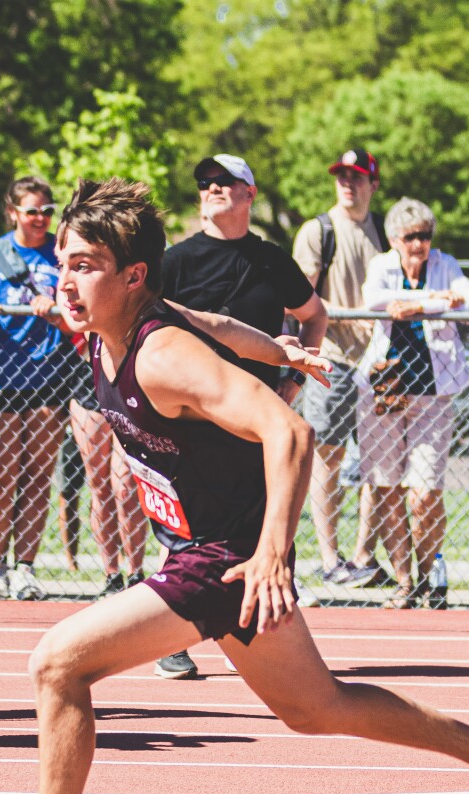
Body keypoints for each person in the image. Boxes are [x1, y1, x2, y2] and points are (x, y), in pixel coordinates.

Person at [0, 178, 469, 794]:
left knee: (58, 663)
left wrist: (273, 553)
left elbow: (290, 432)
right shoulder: (129, 323)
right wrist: (279, 349)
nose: (66, 281)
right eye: (63, 262)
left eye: (86, 264)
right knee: (316, 707)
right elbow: (219, 322)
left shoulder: (162, 357)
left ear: (132, 275)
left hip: (223, 559)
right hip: (206, 552)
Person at [153, 152, 328, 678]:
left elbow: (314, 315)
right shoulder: (175, 261)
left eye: (224, 182)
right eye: (205, 183)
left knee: (271, 520)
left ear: (249, 194)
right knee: (189, 528)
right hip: (191, 419)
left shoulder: (271, 259)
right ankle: (172, 635)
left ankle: (276, 631)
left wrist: (293, 381)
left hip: (256, 415)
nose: (212, 188)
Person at [357, 198, 469, 608]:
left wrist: (417, 305)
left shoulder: (446, 263)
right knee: (388, 486)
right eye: (411, 237)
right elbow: (373, 299)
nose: (419, 244)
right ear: (394, 239)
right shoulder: (382, 266)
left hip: (433, 391)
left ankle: (430, 571)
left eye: (425, 235)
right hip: (384, 387)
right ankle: (405, 581)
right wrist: (438, 300)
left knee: (425, 491)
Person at [0, 176, 77, 601]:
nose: (41, 219)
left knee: (37, 477)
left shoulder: (60, 253)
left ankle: (24, 567)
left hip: (47, 378)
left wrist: (56, 313)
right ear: (13, 212)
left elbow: (77, 315)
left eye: (48, 211)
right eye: (32, 211)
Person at [292, 148, 388, 591]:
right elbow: (299, 299)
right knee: (326, 456)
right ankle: (330, 558)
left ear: (373, 182)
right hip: (332, 356)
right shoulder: (318, 230)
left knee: (378, 461)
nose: (348, 182)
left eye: (357, 176)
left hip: (380, 360)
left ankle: (364, 555)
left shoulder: (385, 231)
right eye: (342, 175)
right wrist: (352, 314)